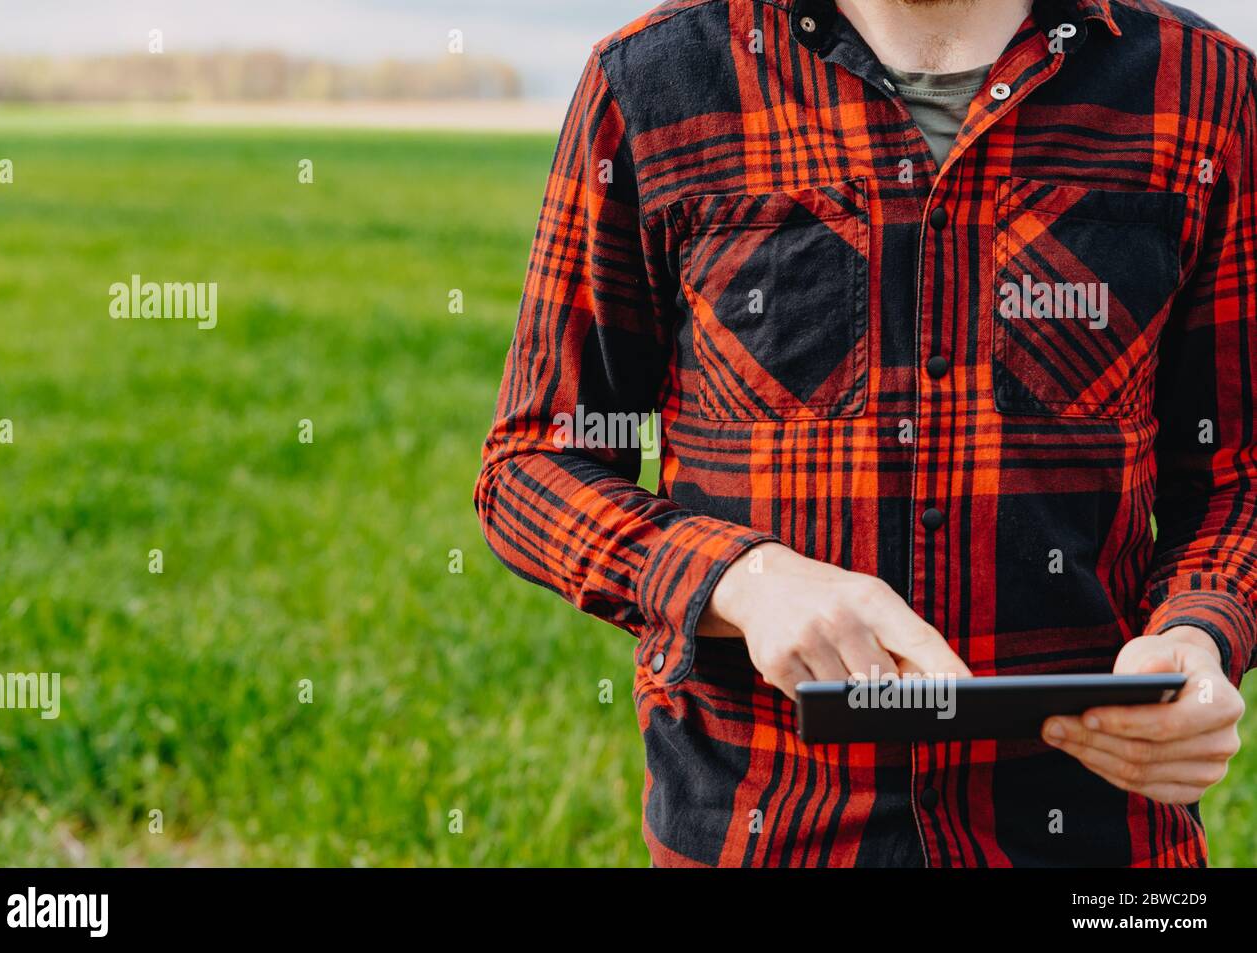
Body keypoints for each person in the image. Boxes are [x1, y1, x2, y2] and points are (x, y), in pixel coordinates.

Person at [475, 0, 1254, 866]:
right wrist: (742, 579)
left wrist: (1197, 632)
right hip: (762, 827)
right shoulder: (651, 82)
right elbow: (532, 461)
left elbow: (1238, 476)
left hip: (1100, 839)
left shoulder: (1206, 90)